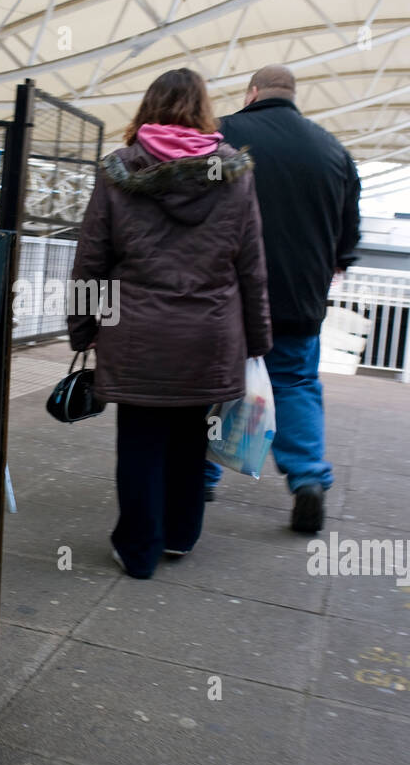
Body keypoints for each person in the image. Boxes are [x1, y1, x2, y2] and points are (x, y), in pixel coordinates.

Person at [66, 68, 272, 580]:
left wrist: (83, 327)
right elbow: (251, 263)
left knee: (138, 442)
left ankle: (138, 551)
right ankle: (180, 536)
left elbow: (92, 256)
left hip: (135, 333)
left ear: (147, 107)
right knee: (189, 440)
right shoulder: (234, 172)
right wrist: (258, 338)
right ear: (203, 110)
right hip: (210, 334)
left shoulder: (119, 168)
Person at [220, 65, 360, 533]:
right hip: (299, 297)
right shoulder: (333, 150)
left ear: (252, 92)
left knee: (213, 381)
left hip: (228, 290)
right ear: (293, 96)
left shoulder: (223, 133)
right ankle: (307, 480)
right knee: (295, 383)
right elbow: (347, 241)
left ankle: (198, 476)